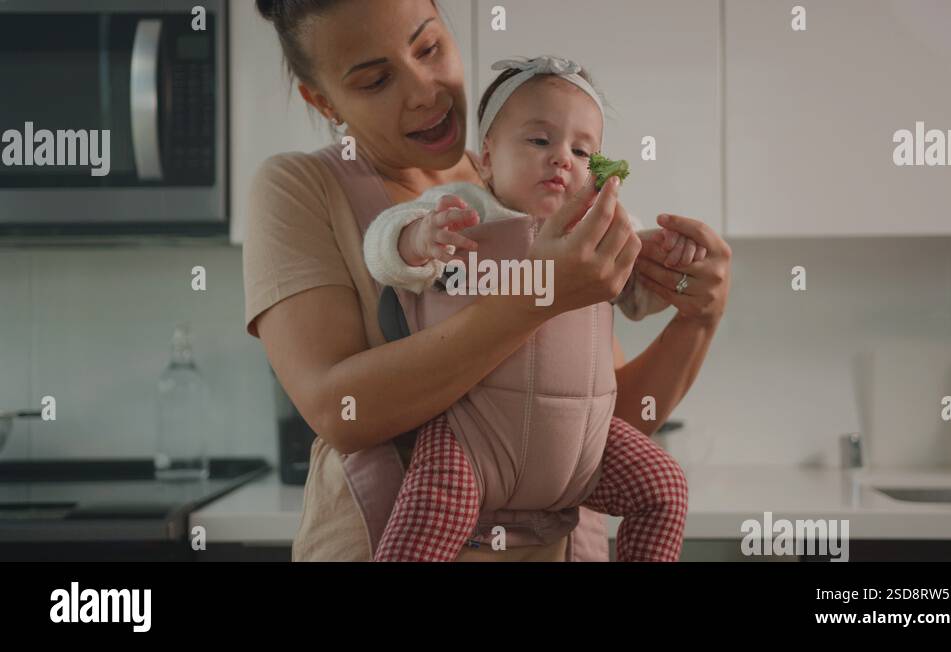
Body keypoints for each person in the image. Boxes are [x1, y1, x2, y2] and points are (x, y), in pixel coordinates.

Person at [244, 0, 732, 561]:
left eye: (429, 48)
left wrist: (698, 317)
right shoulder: (303, 188)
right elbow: (341, 412)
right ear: (323, 99)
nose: (425, 91)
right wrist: (537, 294)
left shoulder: (536, 194)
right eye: (377, 79)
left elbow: (600, 421)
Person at [365, 55, 703, 561]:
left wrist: (667, 264)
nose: (563, 159)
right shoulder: (464, 208)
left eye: (582, 150)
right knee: (429, 516)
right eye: (540, 141)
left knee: (664, 487)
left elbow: (636, 301)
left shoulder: (602, 227)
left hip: (580, 443)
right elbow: (381, 251)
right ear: (485, 158)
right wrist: (419, 237)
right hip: (473, 436)